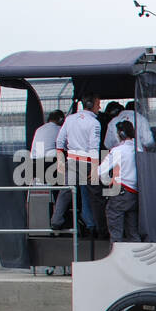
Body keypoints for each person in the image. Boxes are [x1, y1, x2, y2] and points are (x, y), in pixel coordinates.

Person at [54, 96, 103, 236]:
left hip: (71, 161)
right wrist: (95, 168)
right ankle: (99, 229)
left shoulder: (69, 119)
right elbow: (94, 147)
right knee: (95, 196)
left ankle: (56, 221)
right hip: (87, 162)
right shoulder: (94, 123)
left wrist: (60, 161)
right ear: (91, 105)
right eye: (98, 104)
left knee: (67, 191)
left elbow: (59, 141)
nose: (99, 107)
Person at [98, 120, 139, 241]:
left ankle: (115, 257)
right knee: (133, 231)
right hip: (136, 195)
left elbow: (101, 171)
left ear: (120, 134)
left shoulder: (117, 151)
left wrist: (108, 180)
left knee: (116, 233)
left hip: (120, 193)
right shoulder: (140, 149)